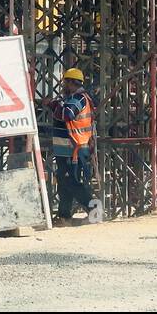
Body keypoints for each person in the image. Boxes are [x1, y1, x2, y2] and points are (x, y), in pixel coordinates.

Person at [48, 67, 97, 225]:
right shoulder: (73, 98)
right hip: (67, 149)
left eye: (65, 82)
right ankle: (64, 217)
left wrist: (55, 105)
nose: (63, 86)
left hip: (73, 149)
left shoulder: (79, 98)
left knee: (71, 183)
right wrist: (55, 104)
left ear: (70, 82)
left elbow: (67, 114)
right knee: (64, 182)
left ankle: (95, 212)